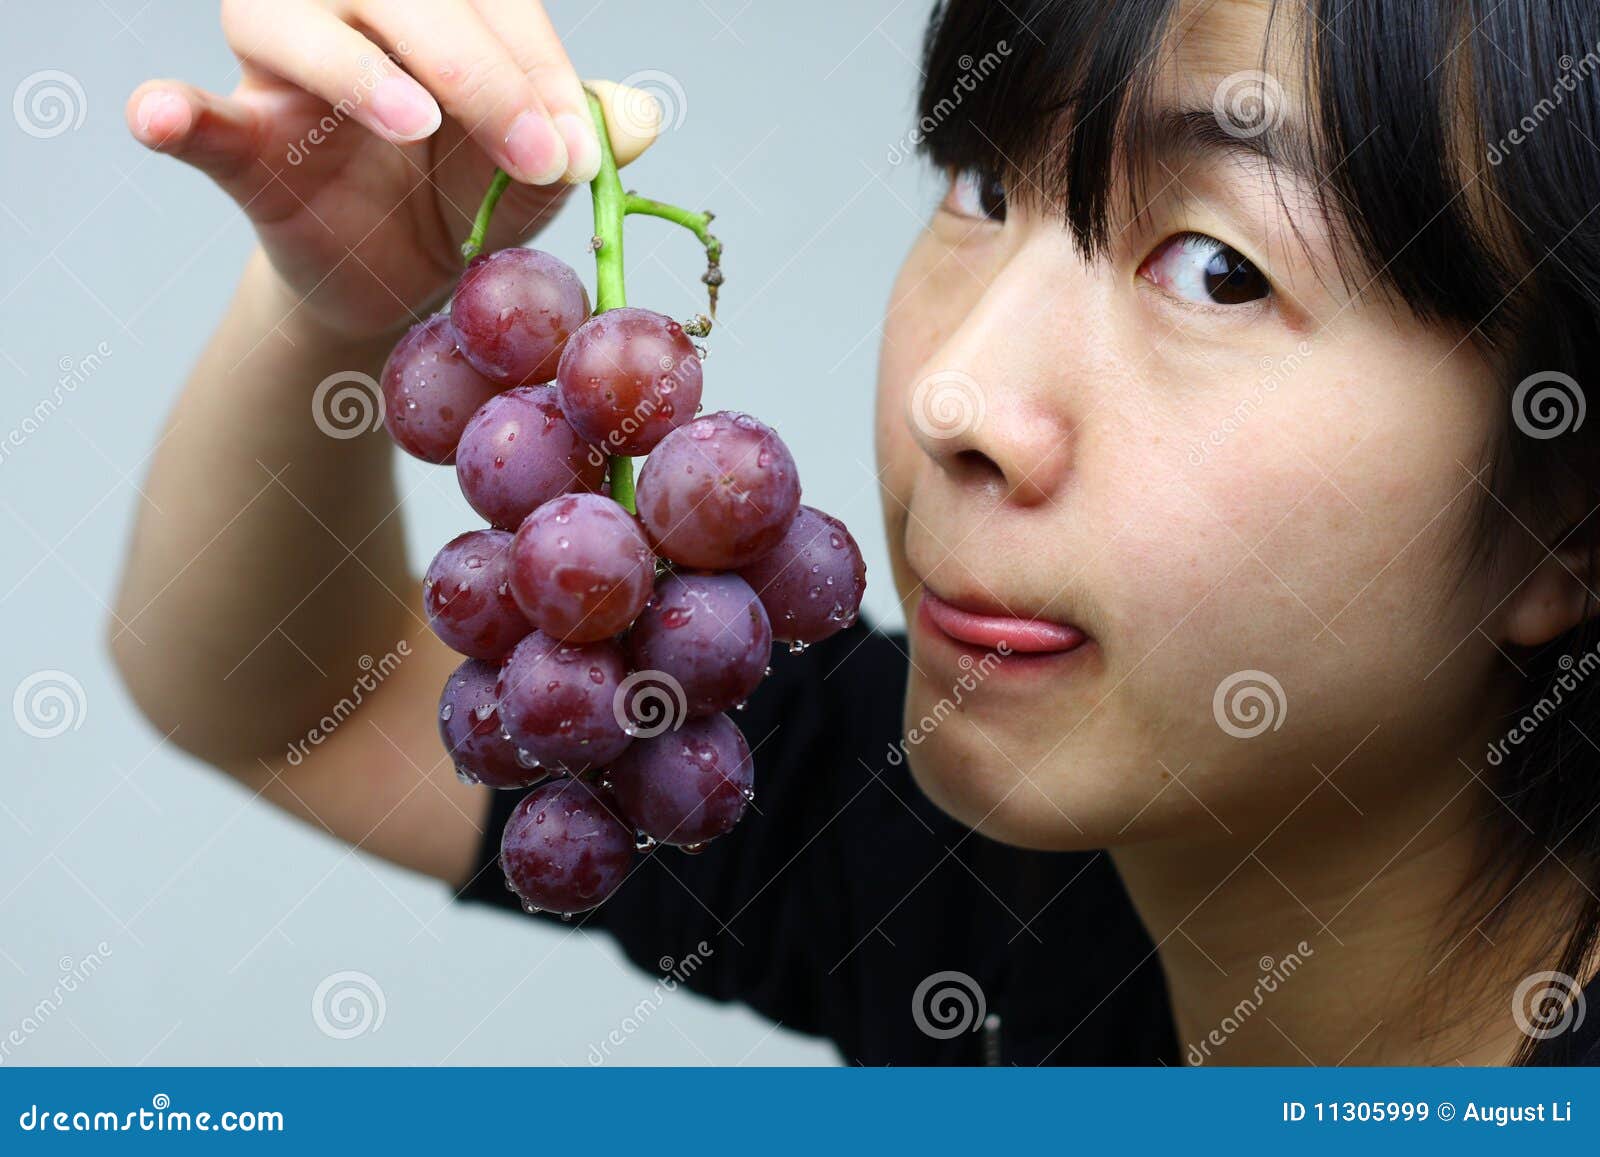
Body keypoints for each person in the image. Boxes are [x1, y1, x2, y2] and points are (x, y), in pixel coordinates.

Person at [111, 0, 1600, 1065]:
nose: (961, 392)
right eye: (983, 184)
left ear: (1568, 509)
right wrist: (336, 306)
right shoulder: (972, 866)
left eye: (1216, 268)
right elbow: (308, 708)